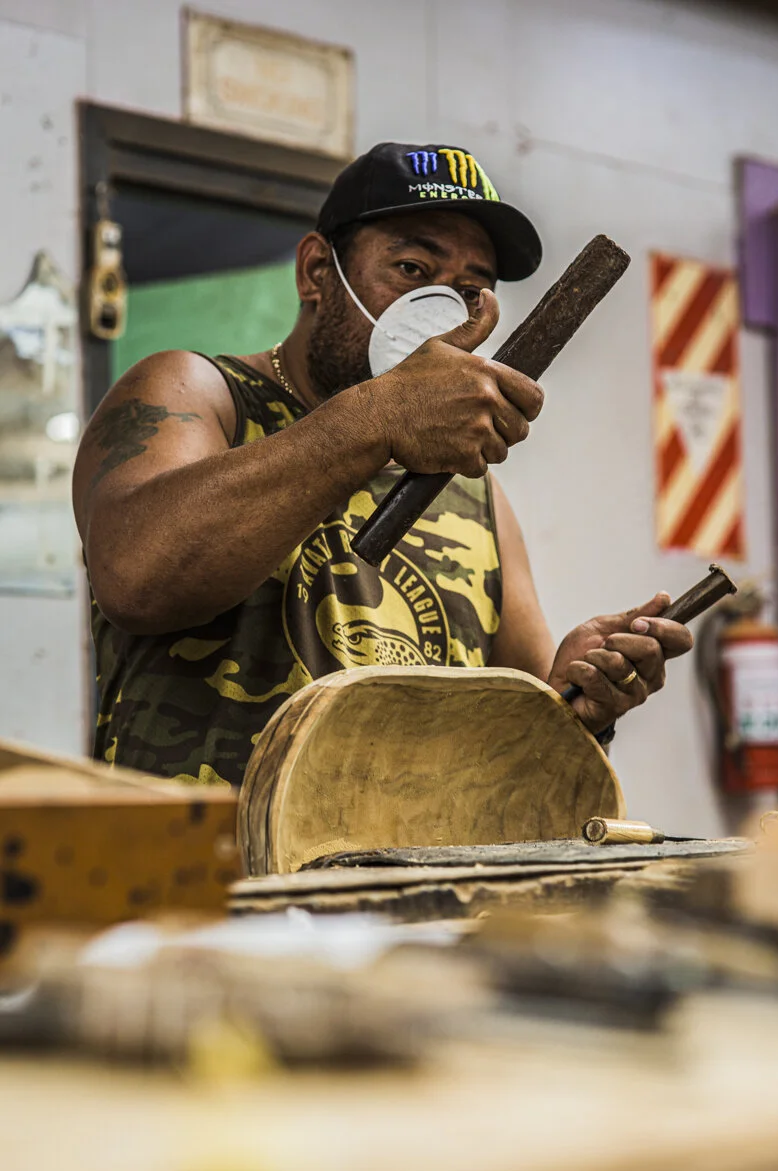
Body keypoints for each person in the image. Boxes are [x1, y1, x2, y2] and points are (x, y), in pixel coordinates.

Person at [73, 142, 692, 786]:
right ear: (316, 271)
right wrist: (378, 418)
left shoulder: (476, 494)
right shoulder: (197, 394)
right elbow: (134, 577)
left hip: (409, 882)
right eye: (410, 267)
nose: (441, 311)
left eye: (470, 288)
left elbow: (520, 746)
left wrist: (575, 700)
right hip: (199, 876)